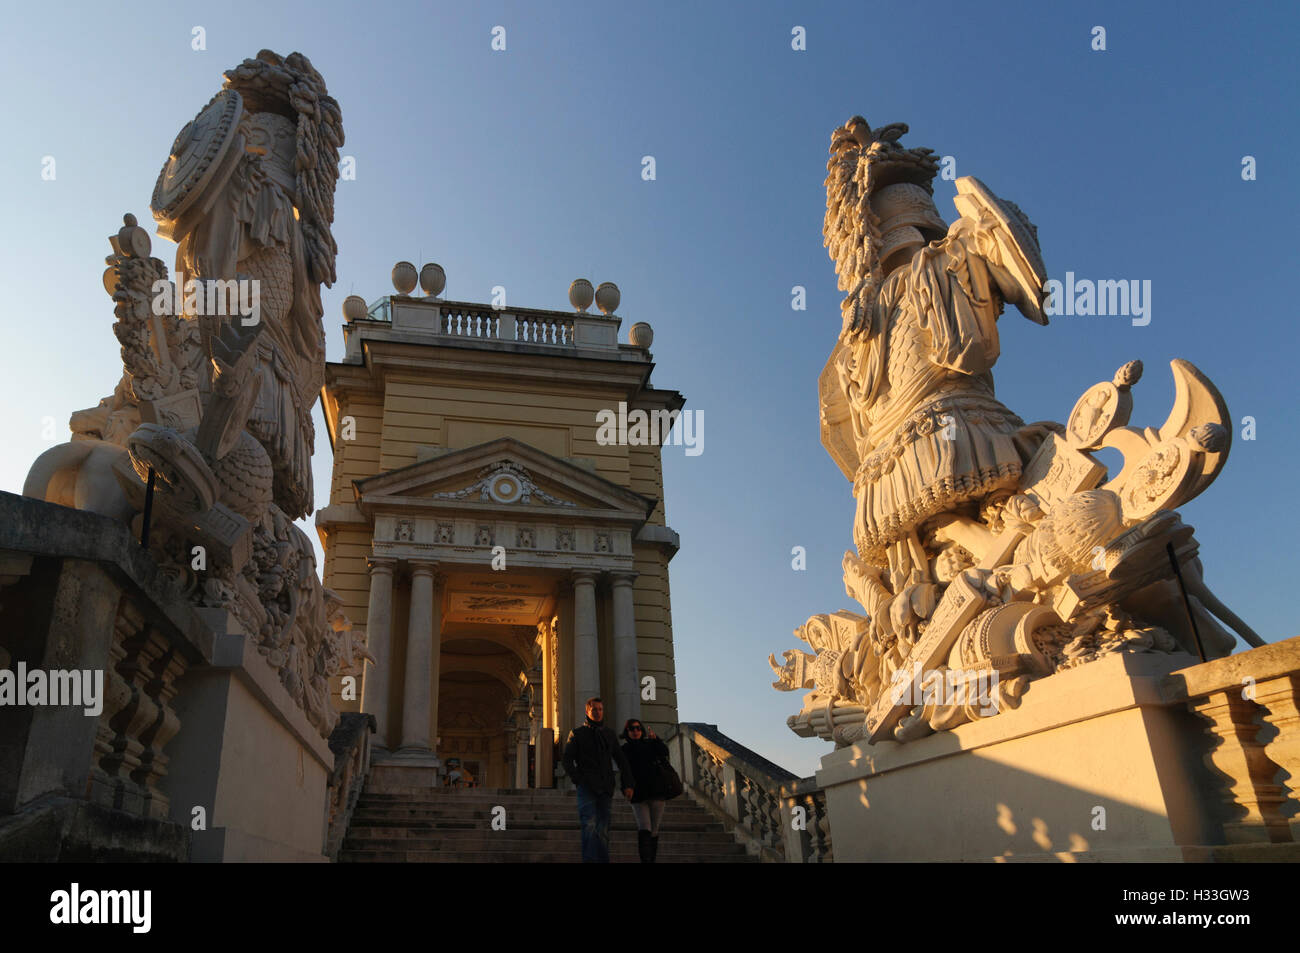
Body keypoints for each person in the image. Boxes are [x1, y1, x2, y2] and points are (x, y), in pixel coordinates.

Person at [561, 697, 635, 863]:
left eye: (600, 709)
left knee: (603, 829)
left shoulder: (609, 734)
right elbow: (567, 758)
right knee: (589, 826)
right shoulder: (577, 733)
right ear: (587, 711)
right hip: (586, 786)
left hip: (606, 787)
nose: (598, 712)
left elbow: (621, 759)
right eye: (594, 709)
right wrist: (577, 779)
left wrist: (628, 784)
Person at [620, 719, 670, 863]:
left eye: (637, 728)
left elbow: (664, 752)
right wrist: (625, 788)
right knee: (644, 829)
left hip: (657, 792)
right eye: (631, 729)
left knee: (654, 831)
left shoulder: (650, 744)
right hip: (638, 793)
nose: (635, 731)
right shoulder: (625, 749)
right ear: (627, 732)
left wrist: (656, 739)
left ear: (641, 730)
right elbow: (625, 771)